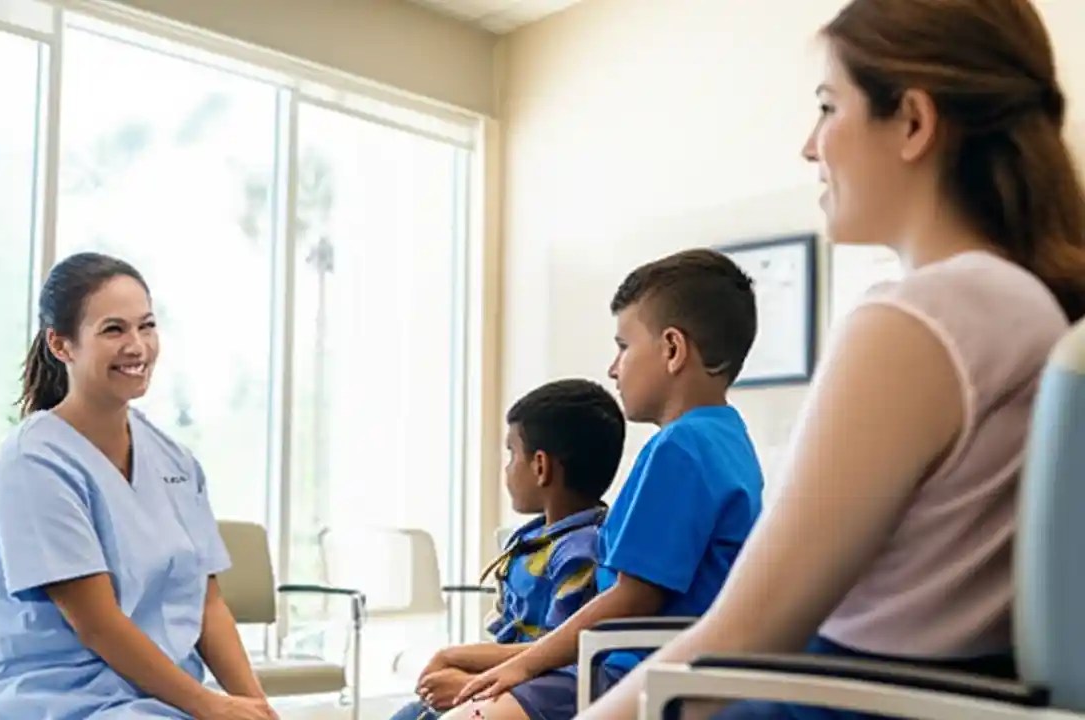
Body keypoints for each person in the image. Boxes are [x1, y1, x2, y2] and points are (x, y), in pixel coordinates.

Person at [579, 1, 1085, 719]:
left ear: (913, 122)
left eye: (827, 107)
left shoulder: (919, 320)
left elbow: (743, 636)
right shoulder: (1023, 304)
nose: (809, 147)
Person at [449, 250, 764, 720]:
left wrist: (522, 665)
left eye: (623, 346)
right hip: (663, 668)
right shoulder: (729, 437)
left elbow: (633, 597)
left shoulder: (680, 447)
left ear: (672, 350)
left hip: (633, 674)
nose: (614, 368)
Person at [0, 252, 276, 720]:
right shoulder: (33, 462)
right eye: (113, 330)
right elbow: (97, 625)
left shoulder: (175, 460)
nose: (137, 346)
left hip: (164, 700)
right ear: (61, 345)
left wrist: (258, 709)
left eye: (147, 326)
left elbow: (207, 604)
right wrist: (210, 707)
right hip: (67, 703)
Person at [390, 378, 626, 720]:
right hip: (511, 675)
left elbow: (555, 651)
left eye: (511, 452)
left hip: (540, 691)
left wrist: (466, 674)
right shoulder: (535, 537)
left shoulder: (579, 550)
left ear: (540, 466)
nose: (507, 467)